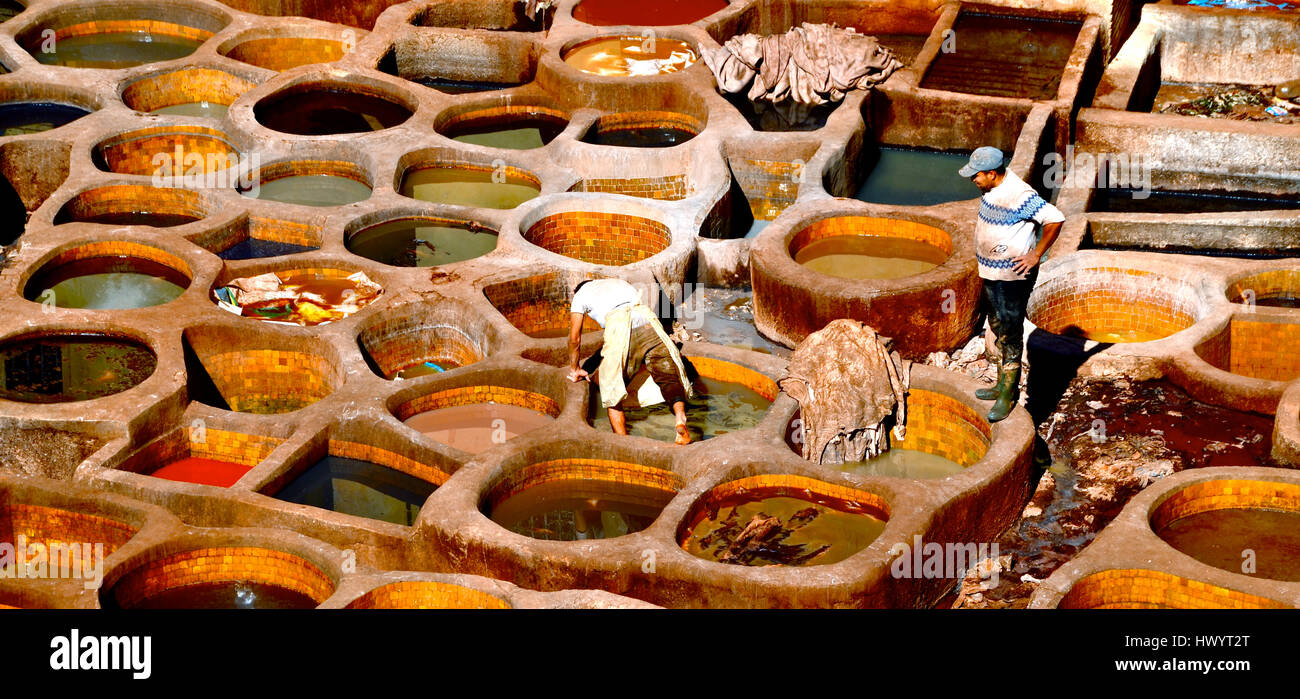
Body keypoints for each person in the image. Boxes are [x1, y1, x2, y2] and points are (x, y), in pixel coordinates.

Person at [958, 146, 1065, 423]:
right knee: (996, 324)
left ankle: (1009, 393)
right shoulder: (992, 189)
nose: (973, 180)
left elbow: (1054, 218)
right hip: (992, 273)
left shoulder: (1019, 194)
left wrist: (1036, 254)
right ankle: (1000, 383)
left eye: (977, 176)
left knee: (1010, 330)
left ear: (992, 174)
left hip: (1012, 278)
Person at [566, 278, 695, 444]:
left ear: (578, 290)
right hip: (648, 320)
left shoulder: (580, 294)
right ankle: (680, 419)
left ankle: (623, 443)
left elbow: (574, 338)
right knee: (668, 377)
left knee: (611, 389)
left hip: (621, 325)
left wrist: (575, 368)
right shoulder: (617, 282)